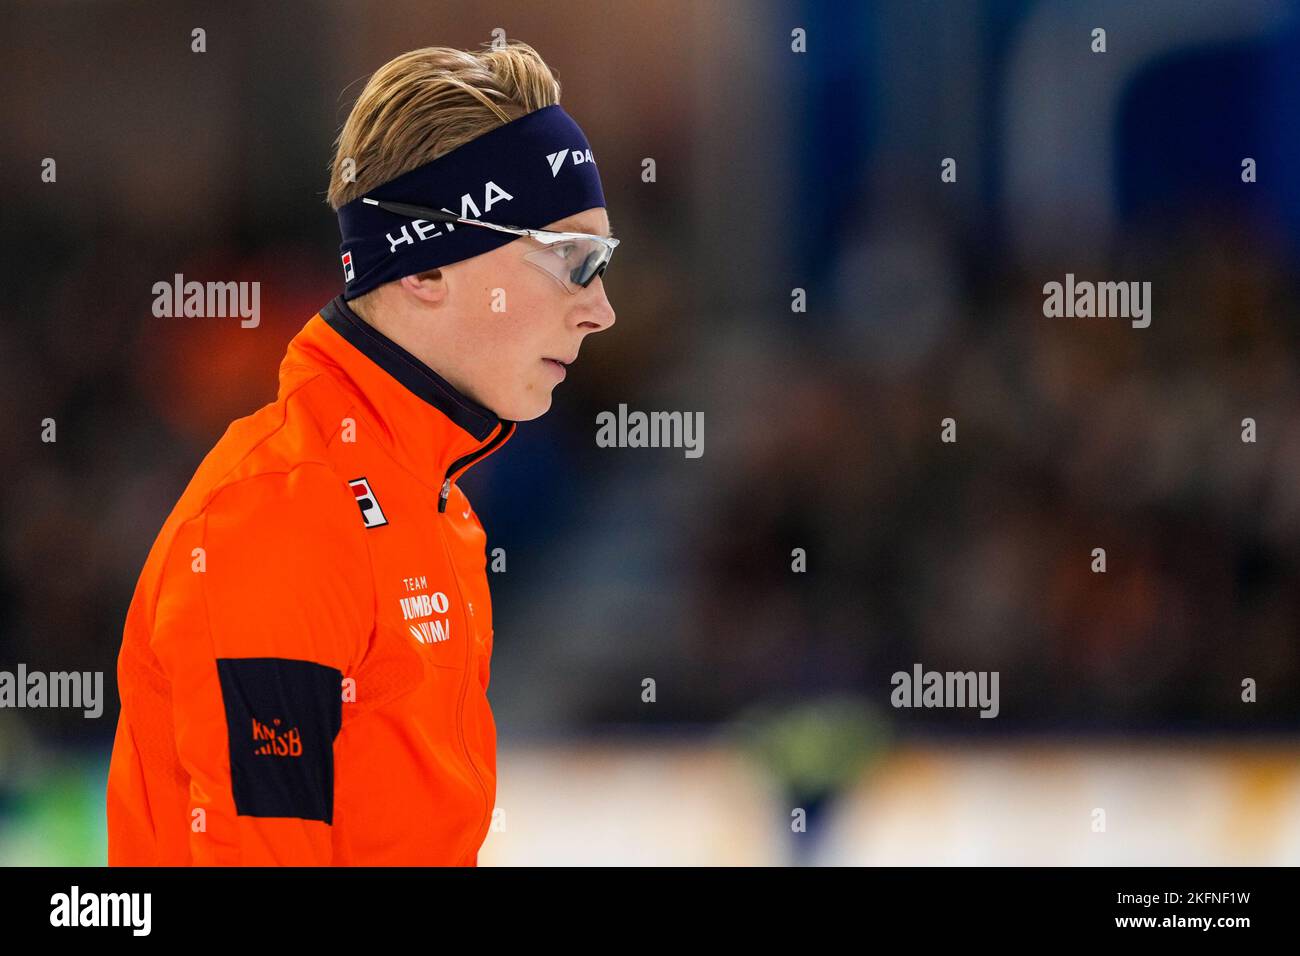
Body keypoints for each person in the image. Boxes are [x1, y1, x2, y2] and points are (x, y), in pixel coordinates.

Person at [105, 41, 617, 865]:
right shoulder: (282, 514)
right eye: (572, 261)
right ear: (426, 269)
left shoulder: (435, 508)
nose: (601, 311)